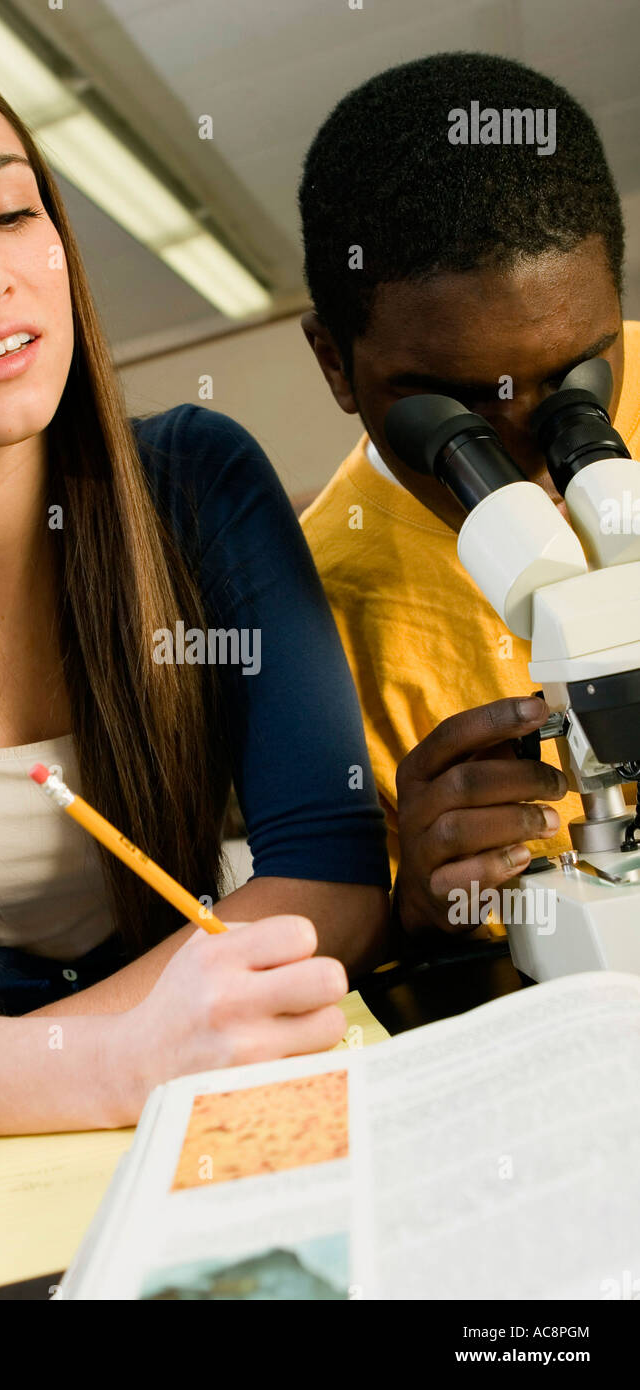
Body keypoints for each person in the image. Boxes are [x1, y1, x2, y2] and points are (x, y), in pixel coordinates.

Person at [0, 37, 390, 1166]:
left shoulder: (196, 480)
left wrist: (96, 1062)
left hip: (178, 1095)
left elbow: (329, 870)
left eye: (12, 213)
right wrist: (113, 1062)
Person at [297, 50, 640, 941]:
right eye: (457, 406)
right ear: (337, 363)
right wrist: (422, 907)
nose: (524, 451)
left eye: (572, 380)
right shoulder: (314, 609)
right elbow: (357, 973)